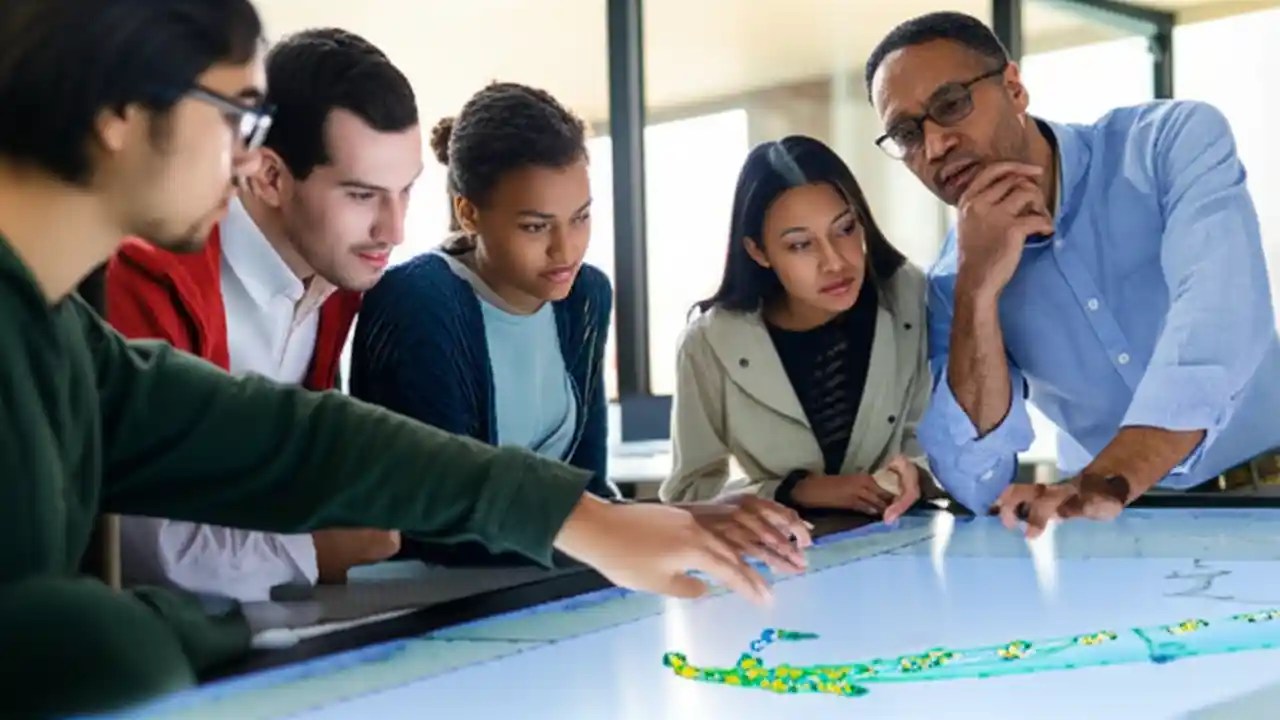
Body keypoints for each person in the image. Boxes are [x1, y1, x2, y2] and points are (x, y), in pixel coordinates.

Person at [0, 2, 770, 716]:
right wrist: (159, 628)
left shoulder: (63, 337)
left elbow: (299, 436)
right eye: (239, 114)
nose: (247, 158)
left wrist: (583, 516)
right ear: (119, 114)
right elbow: (88, 637)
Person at [351, 82, 811, 574]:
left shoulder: (584, 296)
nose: (565, 250)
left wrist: (696, 517)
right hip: (420, 594)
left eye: (580, 218)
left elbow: (589, 496)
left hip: (533, 580)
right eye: (535, 226)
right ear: (469, 212)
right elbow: (444, 526)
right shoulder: (420, 299)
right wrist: (673, 522)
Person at [864, 11, 1280, 537]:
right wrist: (977, 288)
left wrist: (1109, 478)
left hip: (1268, 494)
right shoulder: (952, 282)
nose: (936, 145)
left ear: (1014, 88)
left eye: (951, 105)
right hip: (1118, 538)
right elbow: (974, 479)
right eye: (906, 133)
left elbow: (1220, 319)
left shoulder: (1167, 145)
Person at [105, 27, 418, 603]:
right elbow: (136, 545)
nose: (393, 231)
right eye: (361, 195)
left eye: (405, 192)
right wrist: (314, 551)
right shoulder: (149, 273)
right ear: (268, 176)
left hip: (271, 626)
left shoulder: (342, 280)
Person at [659, 135, 936, 525]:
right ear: (758, 252)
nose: (835, 261)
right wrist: (790, 489)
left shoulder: (913, 298)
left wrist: (918, 476)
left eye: (845, 228)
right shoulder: (707, 343)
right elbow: (689, 497)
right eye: (801, 245)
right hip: (782, 563)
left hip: (903, 545)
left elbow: (949, 447)